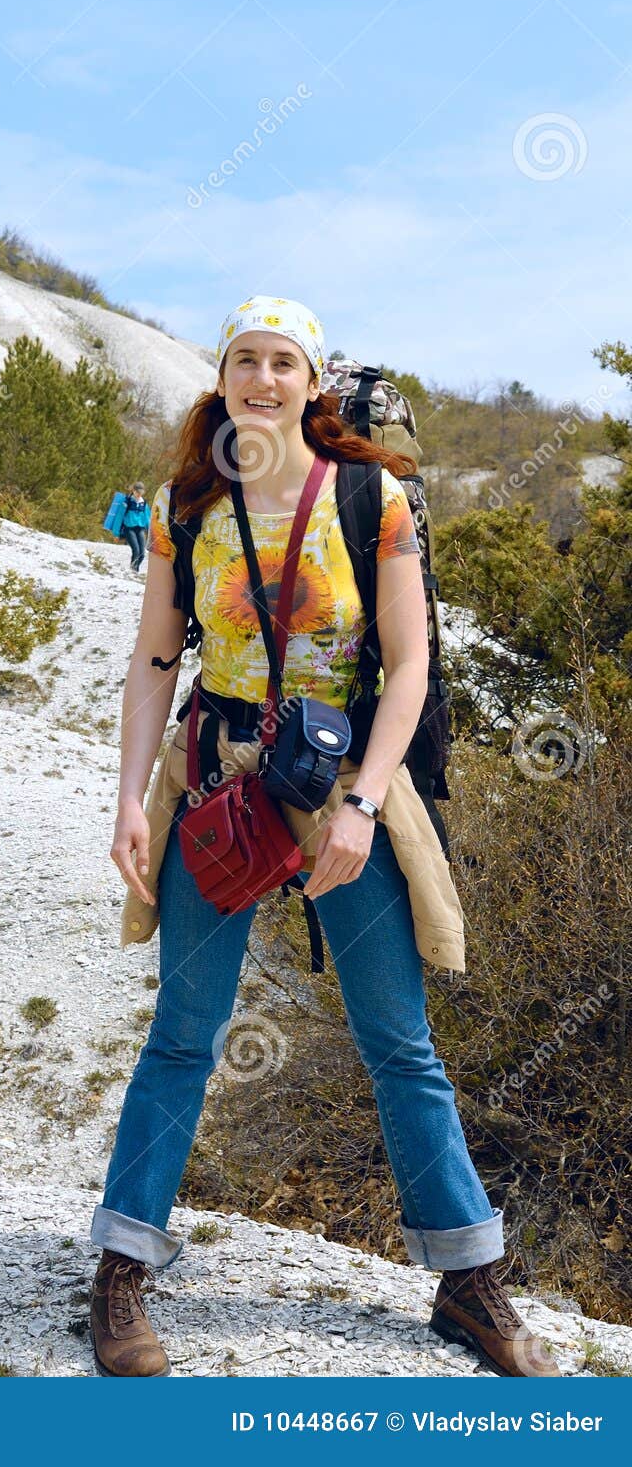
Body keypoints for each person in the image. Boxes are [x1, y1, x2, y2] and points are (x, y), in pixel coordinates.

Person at [87, 294, 559, 1380]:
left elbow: (409, 667)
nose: (260, 379)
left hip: (343, 782)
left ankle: (465, 1281)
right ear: (221, 377)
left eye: (280, 363)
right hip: (219, 786)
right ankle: (120, 1268)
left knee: (397, 1039)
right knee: (181, 1033)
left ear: (312, 383)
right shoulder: (185, 507)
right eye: (242, 361)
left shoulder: (370, 497)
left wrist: (359, 805)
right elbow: (156, 660)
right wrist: (126, 797)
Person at [122, 483, 150, 575]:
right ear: (133, 491)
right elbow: (119, 516)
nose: (139, 494)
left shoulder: (144, 503)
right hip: (129, 528)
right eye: (137, 492)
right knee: (136, 550)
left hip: (140, 529)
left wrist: (150, 530)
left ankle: (135, 569)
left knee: (142, 553)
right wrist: (116, 533)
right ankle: (133, 570)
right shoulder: (127, 501)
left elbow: (147, 518)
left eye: (141, 492)